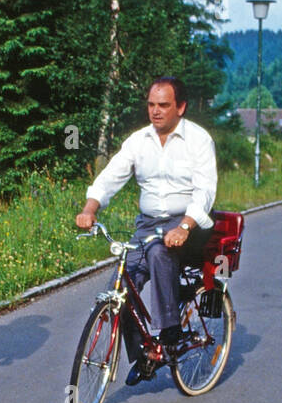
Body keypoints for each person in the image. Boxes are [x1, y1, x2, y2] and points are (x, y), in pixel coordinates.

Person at [74, 76, 217, 385]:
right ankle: (144, 354)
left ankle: (170, 332)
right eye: (151, 104)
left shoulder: (198, 140)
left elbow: (205, 191)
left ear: (181, 107)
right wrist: (90, 208)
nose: (155, 111)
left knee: (159, 252)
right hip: (148, 224)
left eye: (163, 105)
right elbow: (110, 176)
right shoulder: (138, 141)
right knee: (120, 287)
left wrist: (184, 226)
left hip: (189, 224)